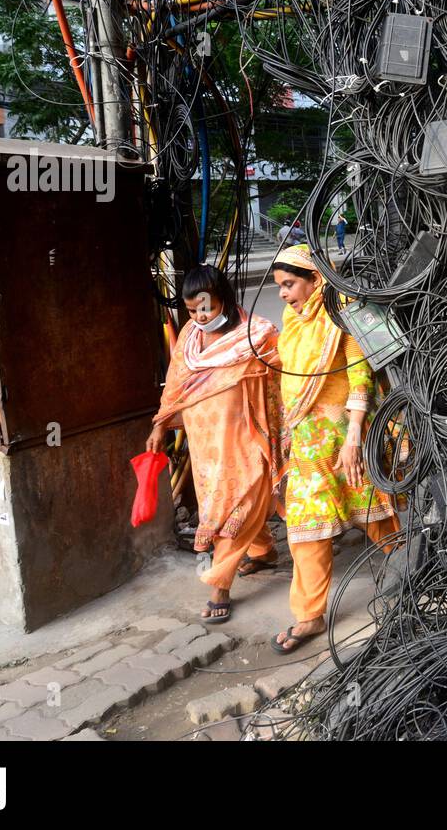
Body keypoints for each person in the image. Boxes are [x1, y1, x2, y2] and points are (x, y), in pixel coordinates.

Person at [270, 244, 398, 653]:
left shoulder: (342, 310)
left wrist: (356, 438)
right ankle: (309, 615)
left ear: (316, 279)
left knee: (378, 516)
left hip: (347, 436)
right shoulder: (293, 319)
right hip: (308, 444)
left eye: (290, 284)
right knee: (305, 529)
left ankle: (415, 578)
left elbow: (361, 372)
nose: (283, 294)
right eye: (279, 286)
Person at [147, 264, 290, 624]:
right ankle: (264, 552)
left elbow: (282, 385)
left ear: (223, 299)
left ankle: (219, 587)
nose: (199, 316)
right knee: (224, 508)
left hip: (247, 442)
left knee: (236, 511)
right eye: (192, 310)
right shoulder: (189, 340)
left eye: (205, 308)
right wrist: (160, 427)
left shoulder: (258, 336)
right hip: (207, 449)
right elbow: (175, 385)